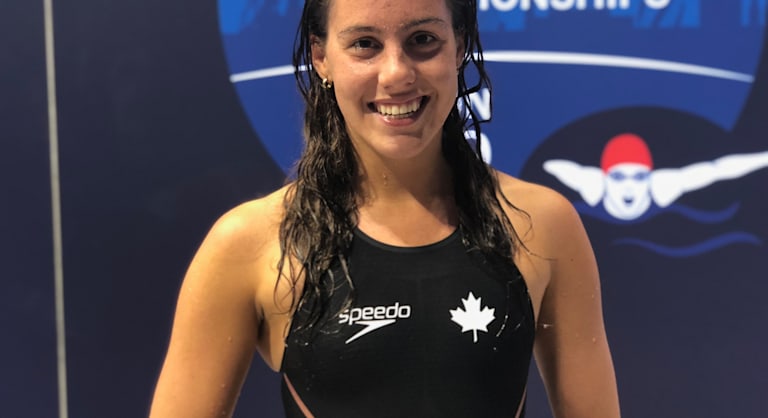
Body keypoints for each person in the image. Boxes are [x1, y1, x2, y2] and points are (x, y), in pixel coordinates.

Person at [149, 0, 620, 417]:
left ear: (459, 48)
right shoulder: (251, 243)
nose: (396, 73)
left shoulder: (541, 225)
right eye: (365, 44)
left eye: (423, 40)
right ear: (321, 57)